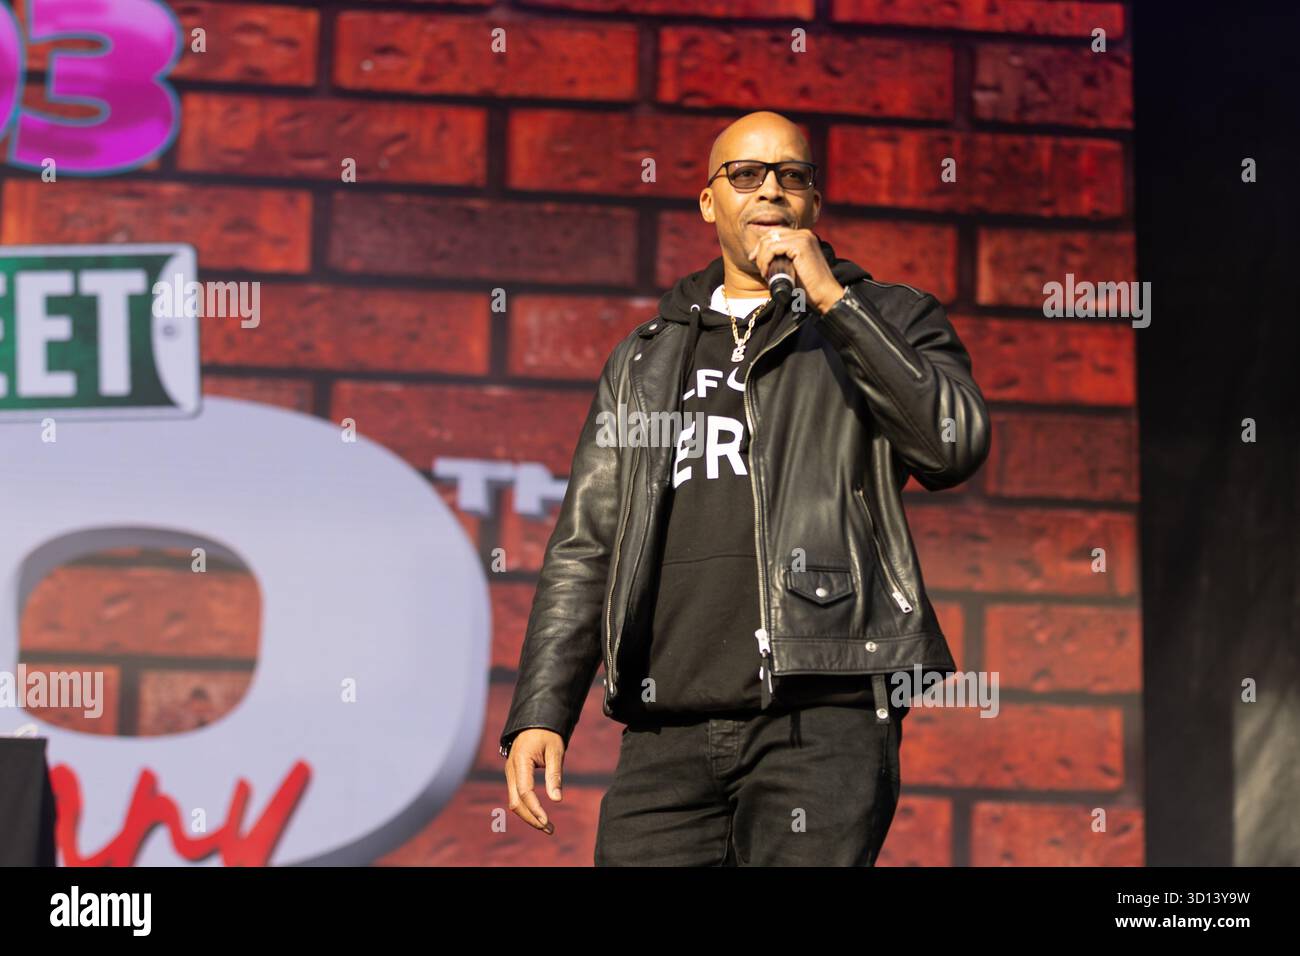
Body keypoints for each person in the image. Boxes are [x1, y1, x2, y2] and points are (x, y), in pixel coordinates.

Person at [500, 110, 991, 865]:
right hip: (667, 728)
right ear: (708, 202)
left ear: (815, 205)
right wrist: (542, 708)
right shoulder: (645, 358)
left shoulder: (887, 315)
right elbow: (587, 542)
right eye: (746, 174)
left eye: (793, 176)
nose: (771, 190)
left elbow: (951, 446)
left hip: (821, 711)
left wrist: (835, 302)